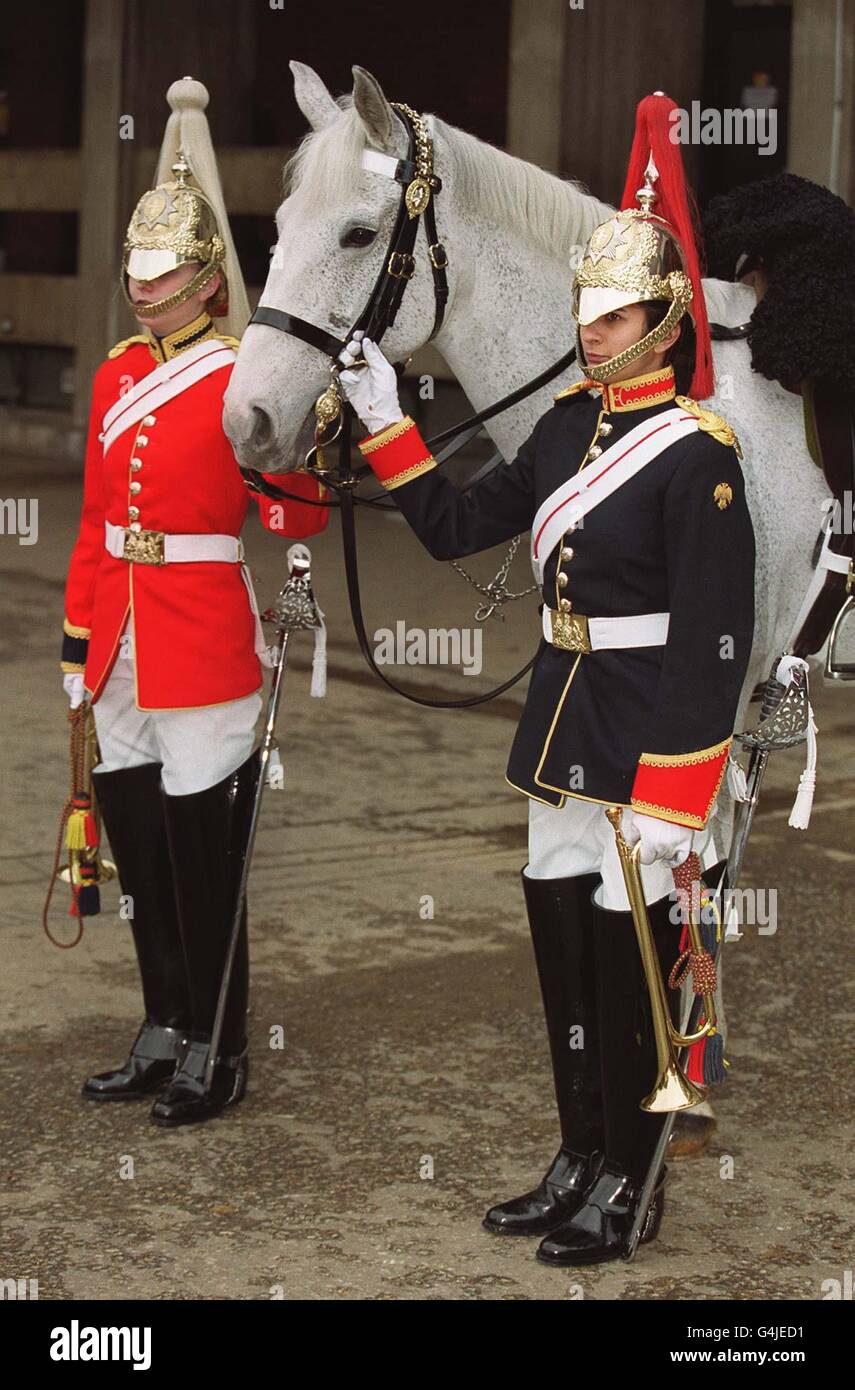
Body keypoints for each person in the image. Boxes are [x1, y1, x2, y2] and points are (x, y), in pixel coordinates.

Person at [337, 93, 756, 1264]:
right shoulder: (567, 431)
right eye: (588, 311)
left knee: (631, 968)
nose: (593, 332)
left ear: (665, 324)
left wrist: (679, 799)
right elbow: (464, 522)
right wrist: (389, 426)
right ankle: (578, 1154)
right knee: (566, 954)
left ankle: (636, 1179)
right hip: (563, 728)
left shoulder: (699, 458)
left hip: (647, 751)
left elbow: (713, 641)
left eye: (615, 316)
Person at [60, 78, 329, 1126]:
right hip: (121, 631)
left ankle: (218, 1047)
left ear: (208, 284)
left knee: (202, 850)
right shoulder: (118, 374)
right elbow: (91, 519)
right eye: (137, 278)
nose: (143, 295)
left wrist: (314, 431)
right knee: (136, 844)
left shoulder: (237, 378)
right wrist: (78, 646)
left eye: (162, 279)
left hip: (203, 631)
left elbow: (294, 519)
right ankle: (162, 1023)